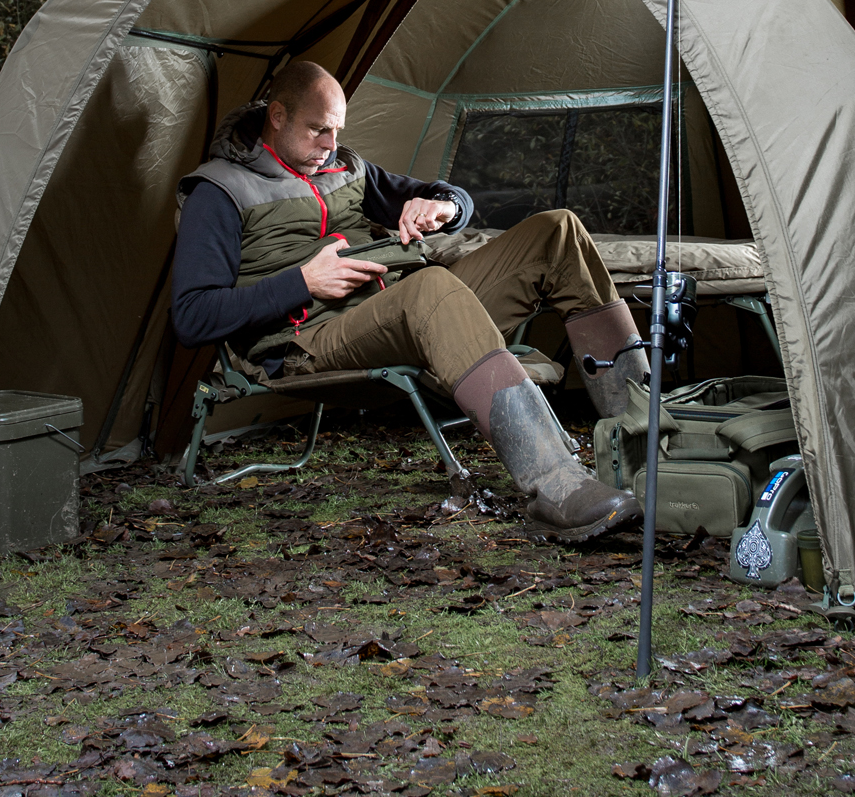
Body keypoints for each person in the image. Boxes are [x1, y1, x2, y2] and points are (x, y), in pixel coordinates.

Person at [172, 61, 652, 541]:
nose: (329, 145)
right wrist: (304, 282)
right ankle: (557, 486)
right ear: (276, 116)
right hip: (312, 340)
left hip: (409, 309)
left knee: (557, 231)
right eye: (318, 130)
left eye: (337, 131)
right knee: (429, 287)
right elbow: (192, 318)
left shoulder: (346, 168)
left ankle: (642, 448)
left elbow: (439, 195)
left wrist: (445, 204)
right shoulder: (218, 192)